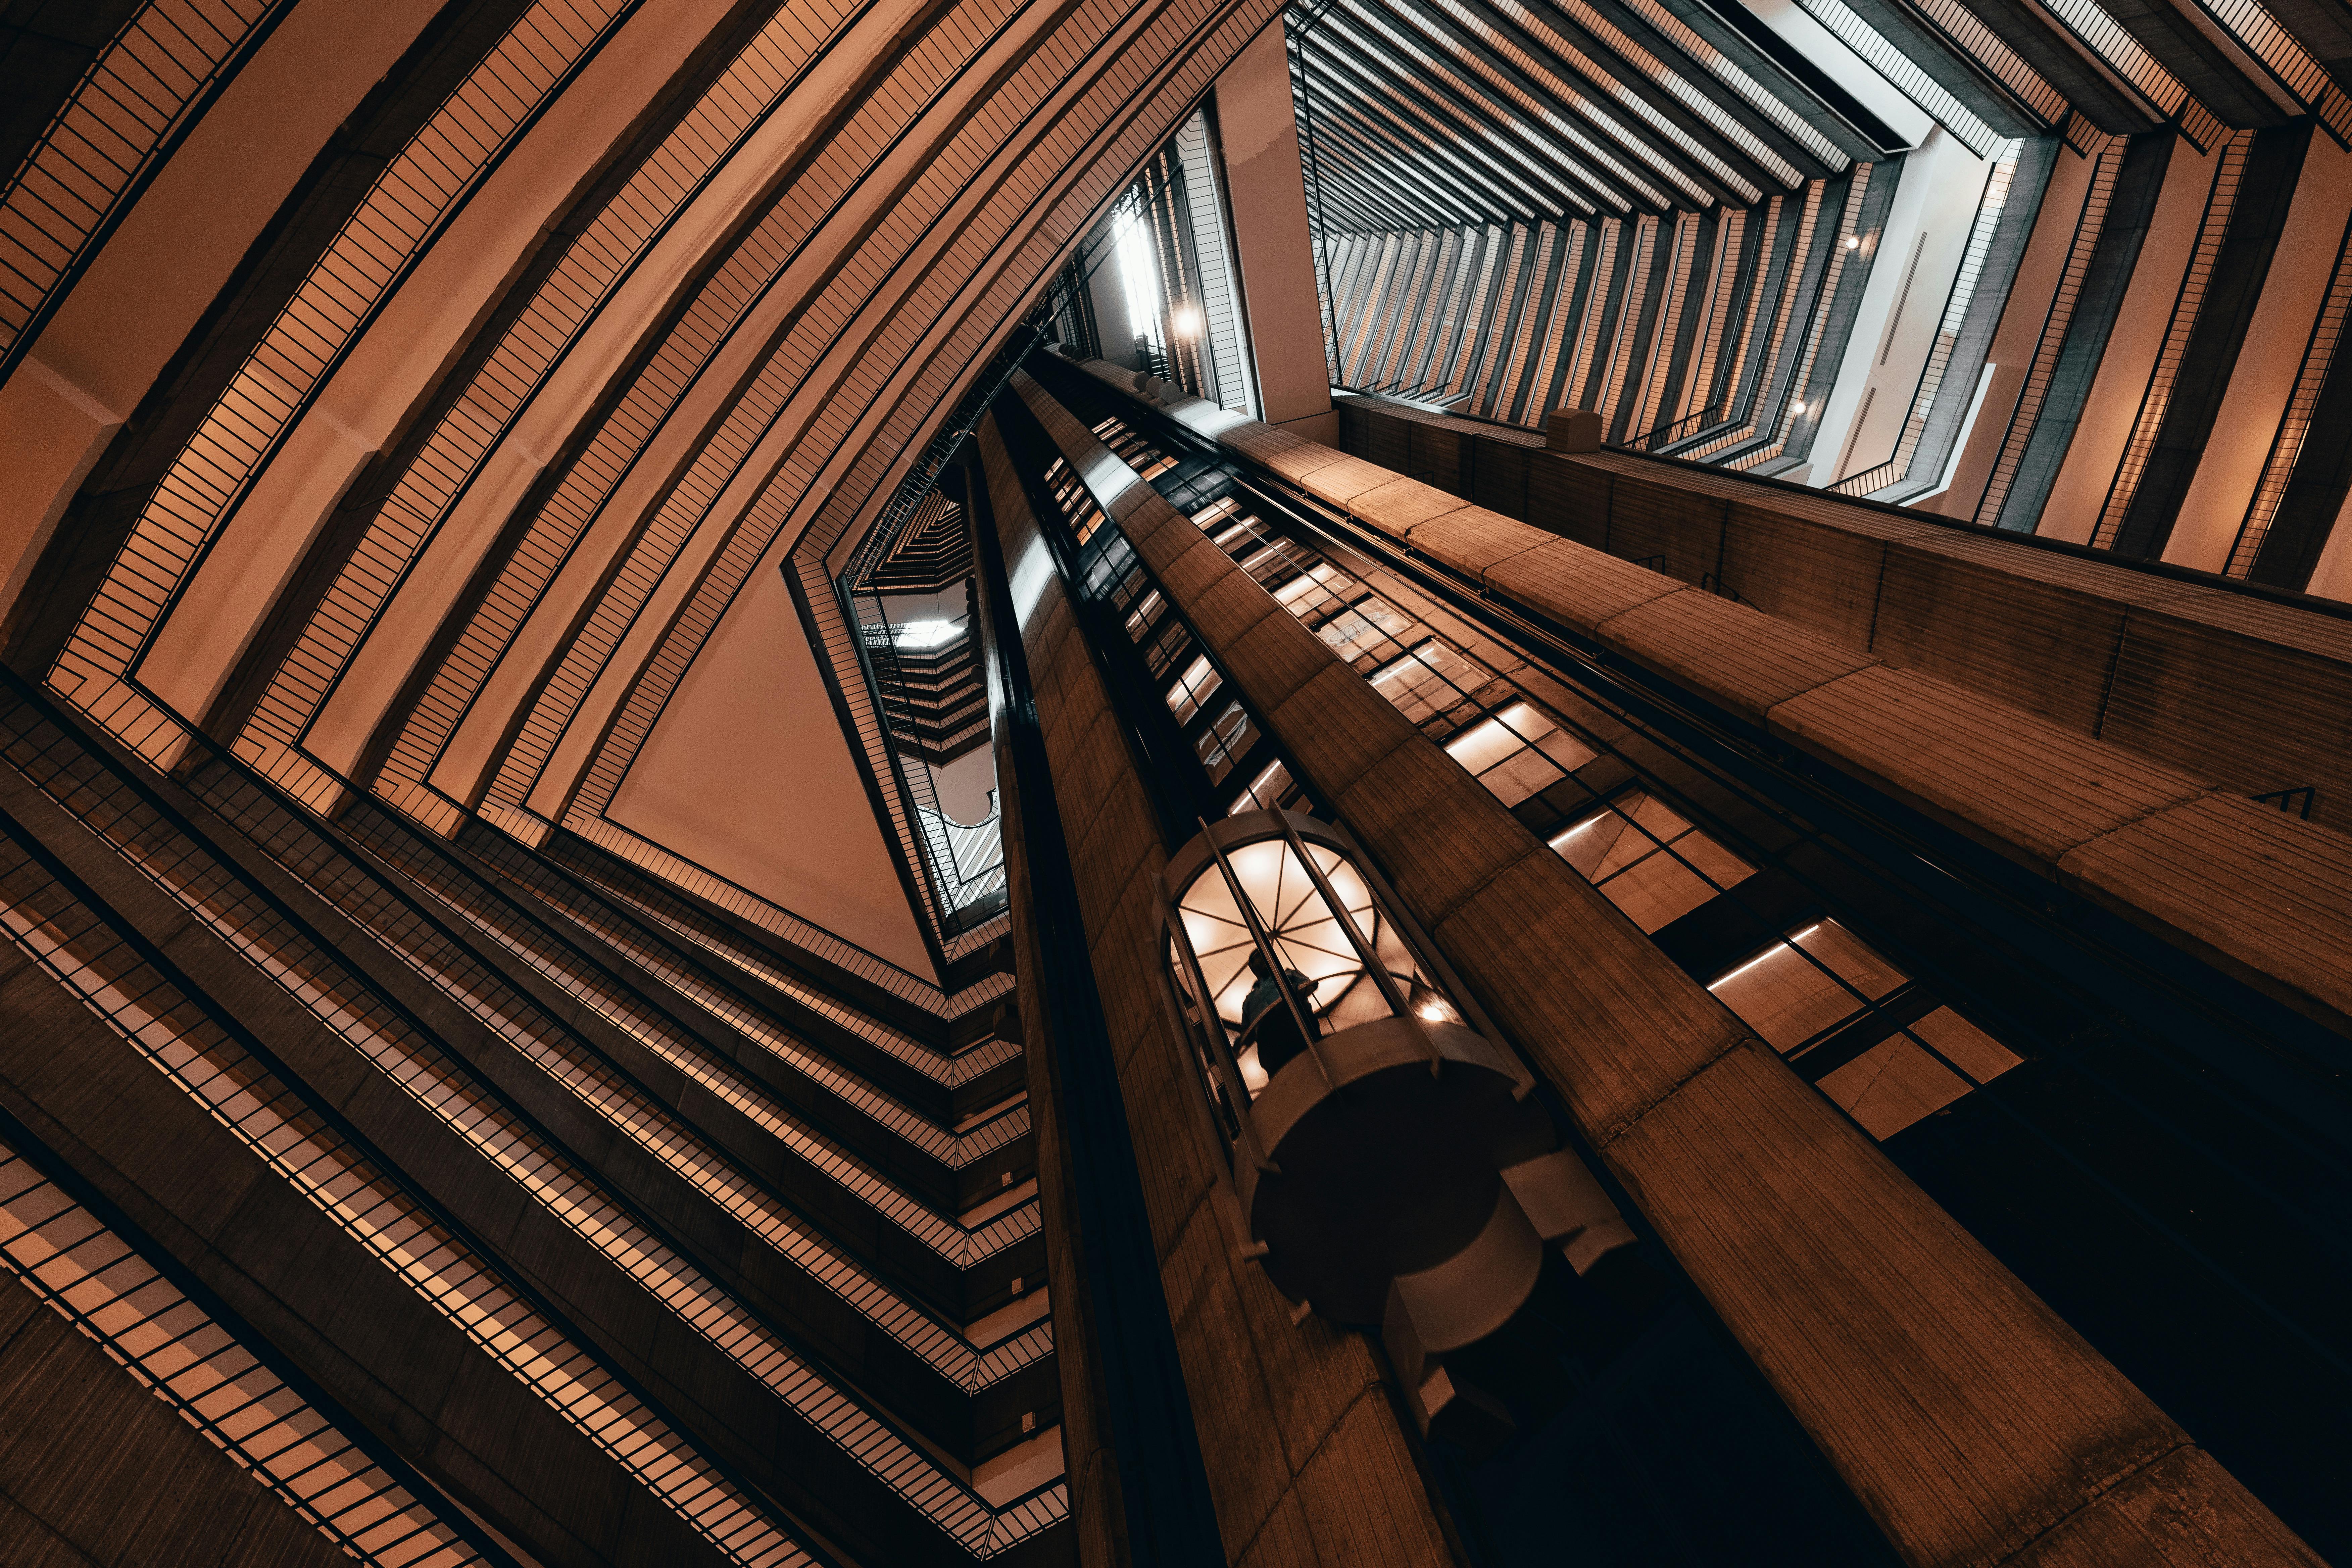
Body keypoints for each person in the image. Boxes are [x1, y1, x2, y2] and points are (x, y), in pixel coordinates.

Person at [1239, 947, 1319, 1080]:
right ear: (1252, 967)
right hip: (1272, 1047)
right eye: (1255, 958)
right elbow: (1247, 1034)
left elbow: (1310, 985)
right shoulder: (1249, 1001)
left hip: (1297, 1027)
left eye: (1261, 955)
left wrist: (1294, 995)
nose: (1260, 960)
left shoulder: (1288, 975)